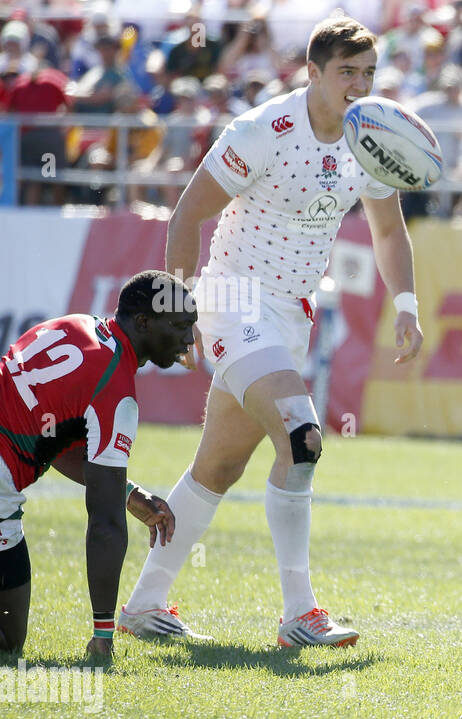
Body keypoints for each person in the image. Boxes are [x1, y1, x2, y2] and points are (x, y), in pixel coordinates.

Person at [116, 16, 424, 647]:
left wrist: (408, 304)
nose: (359, 85)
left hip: (290, 311)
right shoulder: (262, 131)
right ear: (311, 72)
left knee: (218, 467)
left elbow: (390, 232)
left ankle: (144, 604)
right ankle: (300, 613)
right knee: (303, 438)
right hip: (232, 297)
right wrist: (180, 310)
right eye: (346, 72)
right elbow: (187, 217)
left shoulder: (370, 138)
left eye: (368, 73)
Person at [0, 271, 194, 660]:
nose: (188, 341)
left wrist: (128, 492)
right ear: (144, 322)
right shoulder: (117, 389)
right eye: (179, 327)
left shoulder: (75, 324)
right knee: (7, 643)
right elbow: (104, 525)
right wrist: (103, 632)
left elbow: (49, 436)